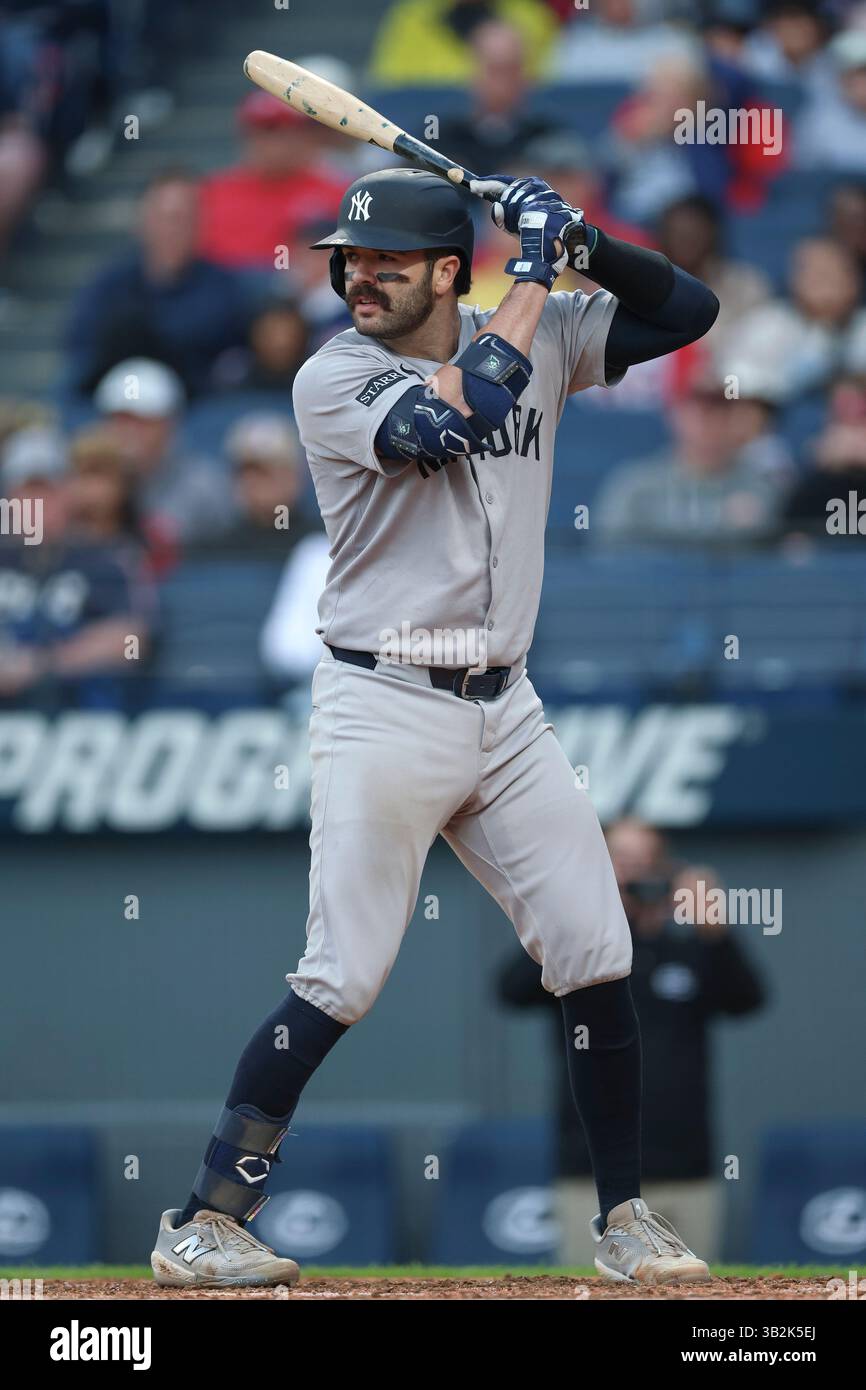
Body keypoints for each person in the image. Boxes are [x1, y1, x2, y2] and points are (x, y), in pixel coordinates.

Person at [150, 163, 719, 1289]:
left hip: (504, 707)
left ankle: (622, 1222)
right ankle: (202, 1219)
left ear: (447, 271)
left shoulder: (543, 325)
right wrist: (538, 267)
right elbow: (461, 419)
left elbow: (687, 311)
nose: (359, 277)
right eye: (349, 259)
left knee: (596, 949)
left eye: (386, 263)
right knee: (342, 976)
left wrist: (583, 240)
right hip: (381, 699)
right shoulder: (335, 374)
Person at [498, 819, 766, 1265]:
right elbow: (510, 990)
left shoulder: (688, 950)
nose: (632, 875)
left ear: (665, 870)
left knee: (690, 1291)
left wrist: (715, 930)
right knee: (595, 1288)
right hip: (591, 1175)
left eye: (644, 863)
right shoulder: (575, 949)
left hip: (686, 1168)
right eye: (619, 862)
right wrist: (575, 910)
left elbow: (747, 1000)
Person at [0, 425, 153, 710]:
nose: (37, 504)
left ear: (68, 493)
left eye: (47, 492)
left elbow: (132, 641)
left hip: (77, 716)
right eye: (27, 492)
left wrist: (45, 663)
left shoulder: (105, 557)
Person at [63, 171, 250, 400]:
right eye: (166, 217)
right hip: (116, 406)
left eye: (185, 218)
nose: (174, 229)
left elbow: (227, 361)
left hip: (195, 407)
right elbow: (80, 348)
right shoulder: (108, 285)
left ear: (201, 223)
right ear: (143, 221)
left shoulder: (224, 288)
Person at [594, 374, 786, 544]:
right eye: (703, 415)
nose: (712, 428)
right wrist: (722, 522)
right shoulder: (633, 484)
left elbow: (776, 557)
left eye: (724, 415)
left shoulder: (759, 486)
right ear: (675, 417)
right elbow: (609, 554)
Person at [93, 357, 235, 550]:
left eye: (142, 422)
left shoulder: (205, 485)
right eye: (120, 421)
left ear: (168, 425)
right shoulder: (86, 482)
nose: (128, 433)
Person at [197, 92, 344, 271]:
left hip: (298, 289)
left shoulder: (335, 191)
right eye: (263, 130)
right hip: (223, 289)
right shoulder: (213, 191)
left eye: (282, 130)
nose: (272, 143)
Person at [434, 21, 559, 181]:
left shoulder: (550, 138)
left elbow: (572, 194)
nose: (503, 82)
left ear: (527, 76)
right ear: (473, 73)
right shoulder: (441, 140)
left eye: (512, 70)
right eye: (494, 70)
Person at [368, 0, 557, 85]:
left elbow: (542, 85)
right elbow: (392, 86)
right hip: (428, 134)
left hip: (511, 133)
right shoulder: (412, 16)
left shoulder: (531, 15)